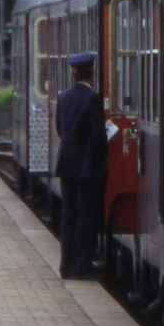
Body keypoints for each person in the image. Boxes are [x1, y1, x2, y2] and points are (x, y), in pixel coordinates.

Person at [54, 51, 107, 279]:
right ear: (92, 72)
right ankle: (81, 266)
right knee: (86, 215)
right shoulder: (93, 99)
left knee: (69, 215)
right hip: (87, 168)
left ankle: (65, 265)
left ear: (73, 73)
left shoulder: (63, 97)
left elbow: (60, 129)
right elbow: (98, 138)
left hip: (66, 165)